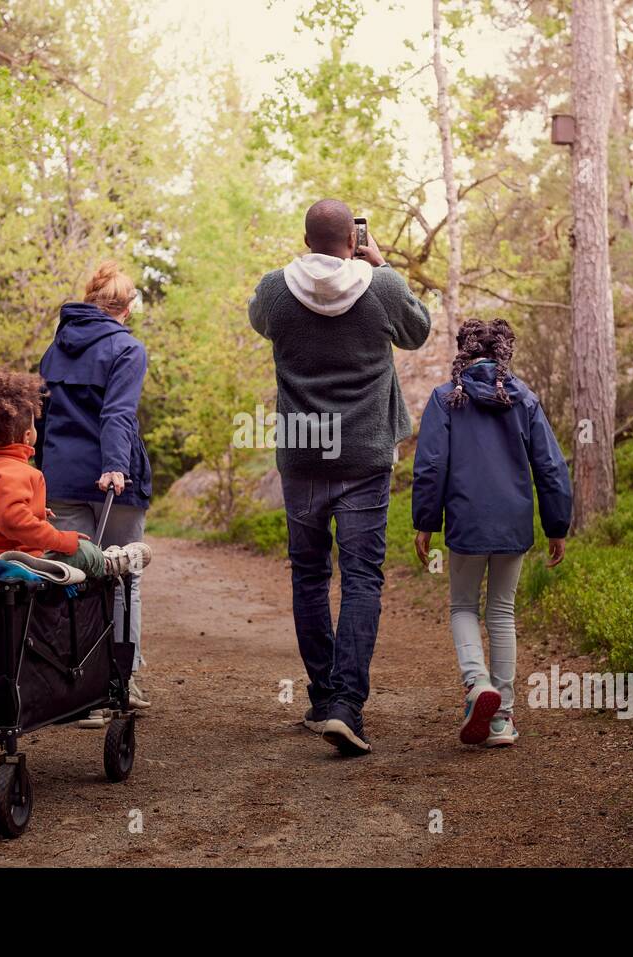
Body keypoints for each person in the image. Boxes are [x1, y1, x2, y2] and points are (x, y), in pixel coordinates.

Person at [249, 199, 431, 756]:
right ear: (352, 240)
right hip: (364, 455)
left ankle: (323, 696)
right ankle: (347, 706)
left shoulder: (277, 289)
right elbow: (419, 332)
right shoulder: (382, 286)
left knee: (308, 575)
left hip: (303, 456)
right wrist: (379, 267)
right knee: (361, 578)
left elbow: (260, 320)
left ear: (306, 240)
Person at [411, 319, 572, 747]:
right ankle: (501, 716)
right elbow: (551, 467)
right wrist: (557, 525)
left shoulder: (446, 399)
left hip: (466, 522)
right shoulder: (524, 399)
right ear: (504, 353)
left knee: (464, 607)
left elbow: (430, 466)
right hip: (512, 522)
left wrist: (426, 522)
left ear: (463, 351)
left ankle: (476, 682)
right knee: (502, 613)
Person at [37, 260, 153, 711]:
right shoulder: (127, 348)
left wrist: (38, 476)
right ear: (126, 307)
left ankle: (79, 686)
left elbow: (41, 418)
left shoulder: (56, 348)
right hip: (113, 480)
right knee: (123, 578)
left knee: (75, 579)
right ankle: (121, 681)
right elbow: (117, 413)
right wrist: (114, 465)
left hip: (61, 477)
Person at [0, 367, 145, 577]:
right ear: (26, 436)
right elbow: (11, 521)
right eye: (34, 424)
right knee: (80, 551)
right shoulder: (17, 472)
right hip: (9, 565)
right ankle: (105, 562)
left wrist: (35, 511)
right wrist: (62, 539)